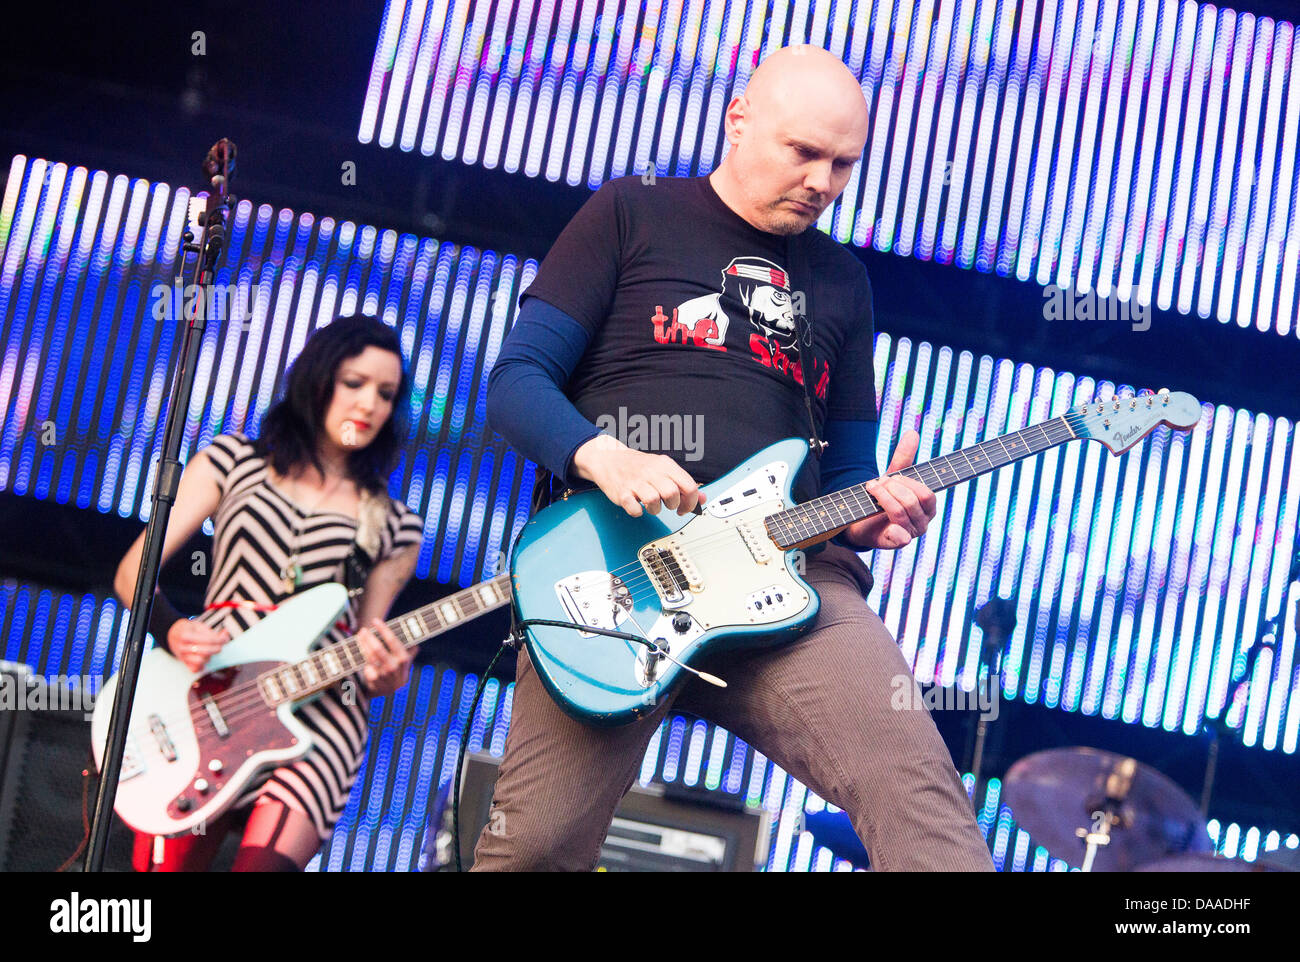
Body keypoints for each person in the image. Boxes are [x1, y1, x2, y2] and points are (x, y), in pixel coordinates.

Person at [476, 45, 994, 870]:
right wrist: (602, 455)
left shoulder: (841, 281)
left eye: (845, 164)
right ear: (739, 119)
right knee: (534, 846)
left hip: (791, 570)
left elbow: (852, 473)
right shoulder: (630, 213)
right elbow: (514, 382)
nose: (824, 181)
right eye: (804, 152)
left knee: (921, 794)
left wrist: (878, 513)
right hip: (618, 565)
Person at [113, 314, 424, 871]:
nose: (370, 404)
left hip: (318, 718)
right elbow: (132, 572)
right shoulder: (230, 461)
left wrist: (384, 674)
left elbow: (371, 639)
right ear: (319, 378)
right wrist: (172, 627)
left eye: (386, 393)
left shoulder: (394, 522)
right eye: (355, 383)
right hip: (208, 694)